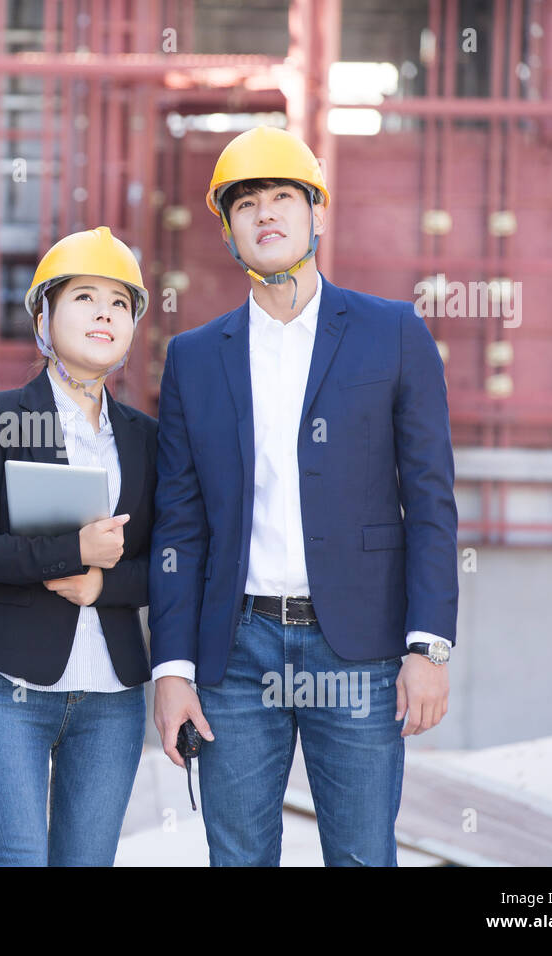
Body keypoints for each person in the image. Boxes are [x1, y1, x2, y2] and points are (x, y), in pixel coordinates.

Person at [148, 126, 459, 866]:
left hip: (356, 647)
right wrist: (172, 671)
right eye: (246, 203)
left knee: (359, 856)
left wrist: (429, 646)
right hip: (235, 653)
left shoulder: (392, 333)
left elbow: (430, 497)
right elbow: (178, 527)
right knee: (240, 858)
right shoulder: (194, 358)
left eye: (283, 196)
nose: (266, 214)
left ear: (316, 212)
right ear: (228, 230)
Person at [0, 226, 158, 866]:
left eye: (120, 303)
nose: (104, 314)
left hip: (113, 699)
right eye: (85, 298)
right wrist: (69, 552)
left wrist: (104, 585)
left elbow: (177, 563)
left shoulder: (149, 437)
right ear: (44, 315)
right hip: (11, 689)